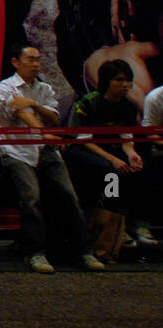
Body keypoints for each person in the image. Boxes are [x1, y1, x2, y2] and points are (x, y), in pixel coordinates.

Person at [0, 44, 103, 273]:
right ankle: (34, 253)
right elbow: (24, 116)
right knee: (31, 198)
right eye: (30, 59)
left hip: (45, 149)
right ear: (16, 62)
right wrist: (44, 130)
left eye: (38, 60)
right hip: (17, 151)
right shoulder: (6, 87)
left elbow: (53, 117)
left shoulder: (44, 88)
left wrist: (34, 103)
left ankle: (84, 251)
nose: (36, 64)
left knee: (69, 196)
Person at [66, 59, 154, 248]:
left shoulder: (129, 106)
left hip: (112, 149)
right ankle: (105, 221)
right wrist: (113, 160)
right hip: (84, 150)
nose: (126, 85)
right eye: (119, 80)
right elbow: (84, 140)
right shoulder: (88, 103)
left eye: (128, 81)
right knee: (110, 173)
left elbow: (126, 138)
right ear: (107, 81)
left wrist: (131, 154)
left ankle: (128, 224)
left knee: (140, 170)